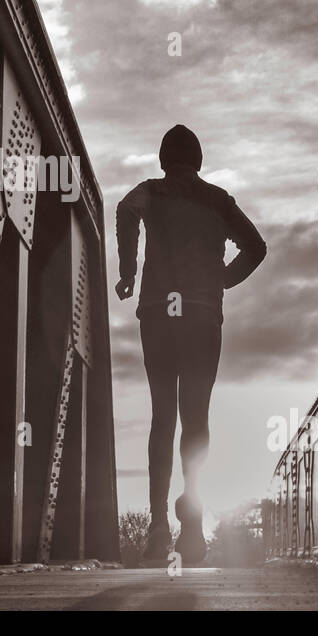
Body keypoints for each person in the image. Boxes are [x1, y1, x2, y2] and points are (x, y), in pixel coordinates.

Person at [115, 125, 267, 565]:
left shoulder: (150, 191)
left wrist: (128, 270)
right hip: (201, 315)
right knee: (195, 416)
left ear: (164, 159)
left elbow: (125, 211)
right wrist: (220, 280)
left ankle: (158, 529)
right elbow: (256, 247)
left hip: (160, 311)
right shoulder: (219, 199)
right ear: (198, 160)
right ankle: (194, 531)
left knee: (162, 415)